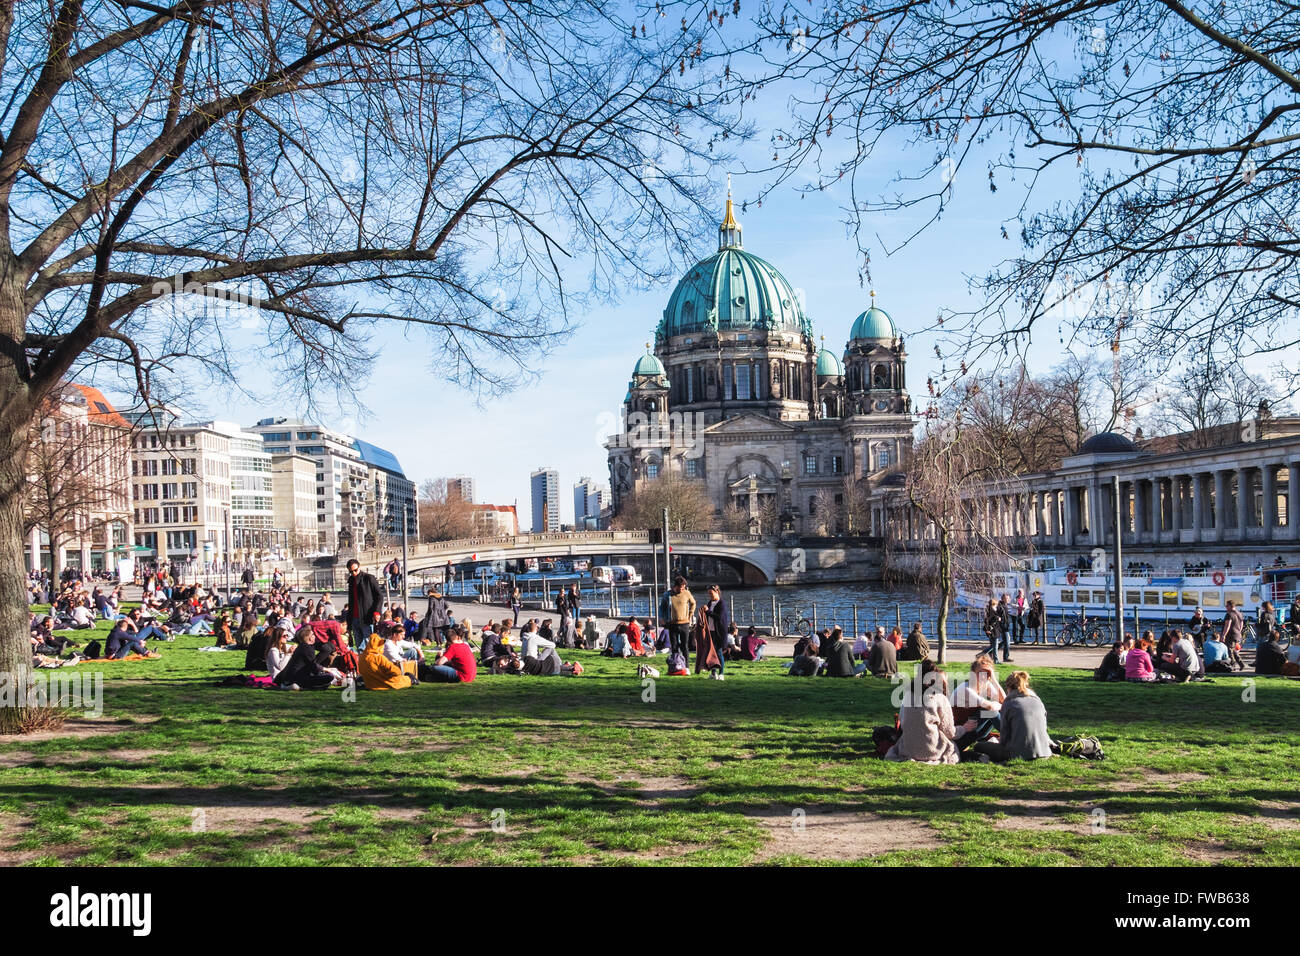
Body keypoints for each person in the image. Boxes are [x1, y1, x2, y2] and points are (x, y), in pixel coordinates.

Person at [885, 661, 970, 765]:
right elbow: (950, 732)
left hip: (908, 749)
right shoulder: (939, 698)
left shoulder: (908, 696)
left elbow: (902, 722)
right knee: (967, 736)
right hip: (933, 750)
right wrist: (964, 728)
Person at [970, 671, 1053, 763]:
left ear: (1008, 687)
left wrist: (1000, 741)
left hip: (1018, 753)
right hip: (1044, 751)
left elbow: (1005, 735)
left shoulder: (1010, 702)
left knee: (978, 746)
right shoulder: (1037, 700)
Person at [345, 559, 382, 651]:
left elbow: (379, 596)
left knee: (368, 645)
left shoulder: (369, 578)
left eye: (355, 570)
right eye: (351, 571)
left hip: (367, 617)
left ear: (359, 567)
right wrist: (349, 623)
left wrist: (377, 611)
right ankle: (361, 664)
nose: (353, 573)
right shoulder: (351, 582)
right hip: (355, 618)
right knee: (359, 646)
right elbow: (351, 602)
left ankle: (367, 664)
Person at [666, 576, 696, 661]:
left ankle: (686, 666)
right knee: (674, 646)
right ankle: (675, 665)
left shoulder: (687, 593)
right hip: (672, 624)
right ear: (676, 586)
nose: (682, 589)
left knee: (684, 646)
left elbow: (693, 603)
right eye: (681, 587)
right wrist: (664, 618)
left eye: (684, 588)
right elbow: (662, 607)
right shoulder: (668, 594)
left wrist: (690, 615)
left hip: (684, 623)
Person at [704, 585, 731, 679]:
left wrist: (707, 612)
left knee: (718, 652)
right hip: (710, 631)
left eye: (711, 593)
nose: (710, 596)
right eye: (709, 594)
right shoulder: (710, 603)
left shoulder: (721, 604)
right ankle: (713, 673)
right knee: (711, 653)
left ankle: (721, 673)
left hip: (719, 632)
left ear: (717, 592)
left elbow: (719, 617)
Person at [1221, 599, 1247, 671]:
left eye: (1226, 606)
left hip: (1230, 634)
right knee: (1233, 650)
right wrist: (1239, 631)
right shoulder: (1239, 613)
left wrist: (1223, 635)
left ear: (1230, 606)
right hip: (1237, 634)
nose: (1226, 607)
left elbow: (1227, 625)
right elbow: (1242, 624)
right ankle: (1241, 664)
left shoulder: (1229, 614)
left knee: (1229, 650)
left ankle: (1233, 665)